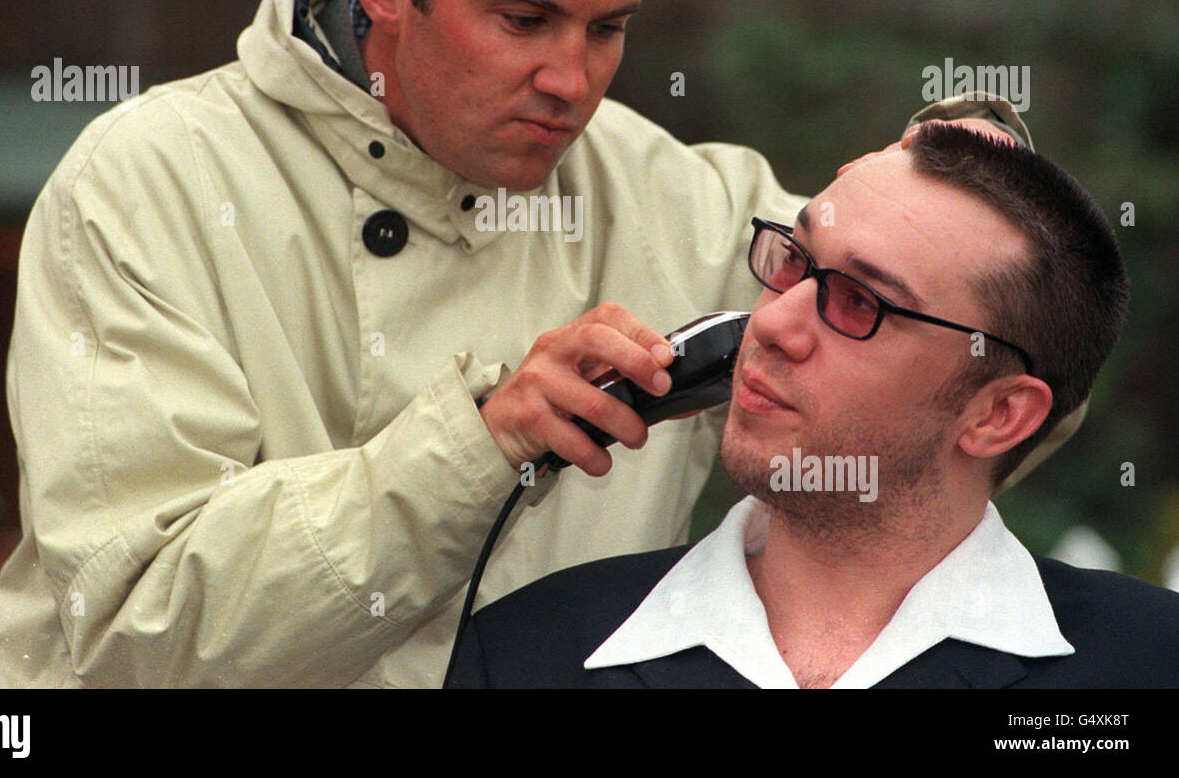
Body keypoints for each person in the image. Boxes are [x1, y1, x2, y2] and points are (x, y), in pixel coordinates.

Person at [0, 0, 1033, 688]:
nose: (570, 81)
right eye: (524, 20)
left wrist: (981, 209)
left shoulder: (686, 202)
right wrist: (479, 449)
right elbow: (129, 630)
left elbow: (966, 377)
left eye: (608, 30)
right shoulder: (145, 185)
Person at [445, 124, 1179, 689]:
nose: (769, 324)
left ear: (999, 415)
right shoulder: (528, 654)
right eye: (791, 260)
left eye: (860, 302)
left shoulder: (1143, 666)